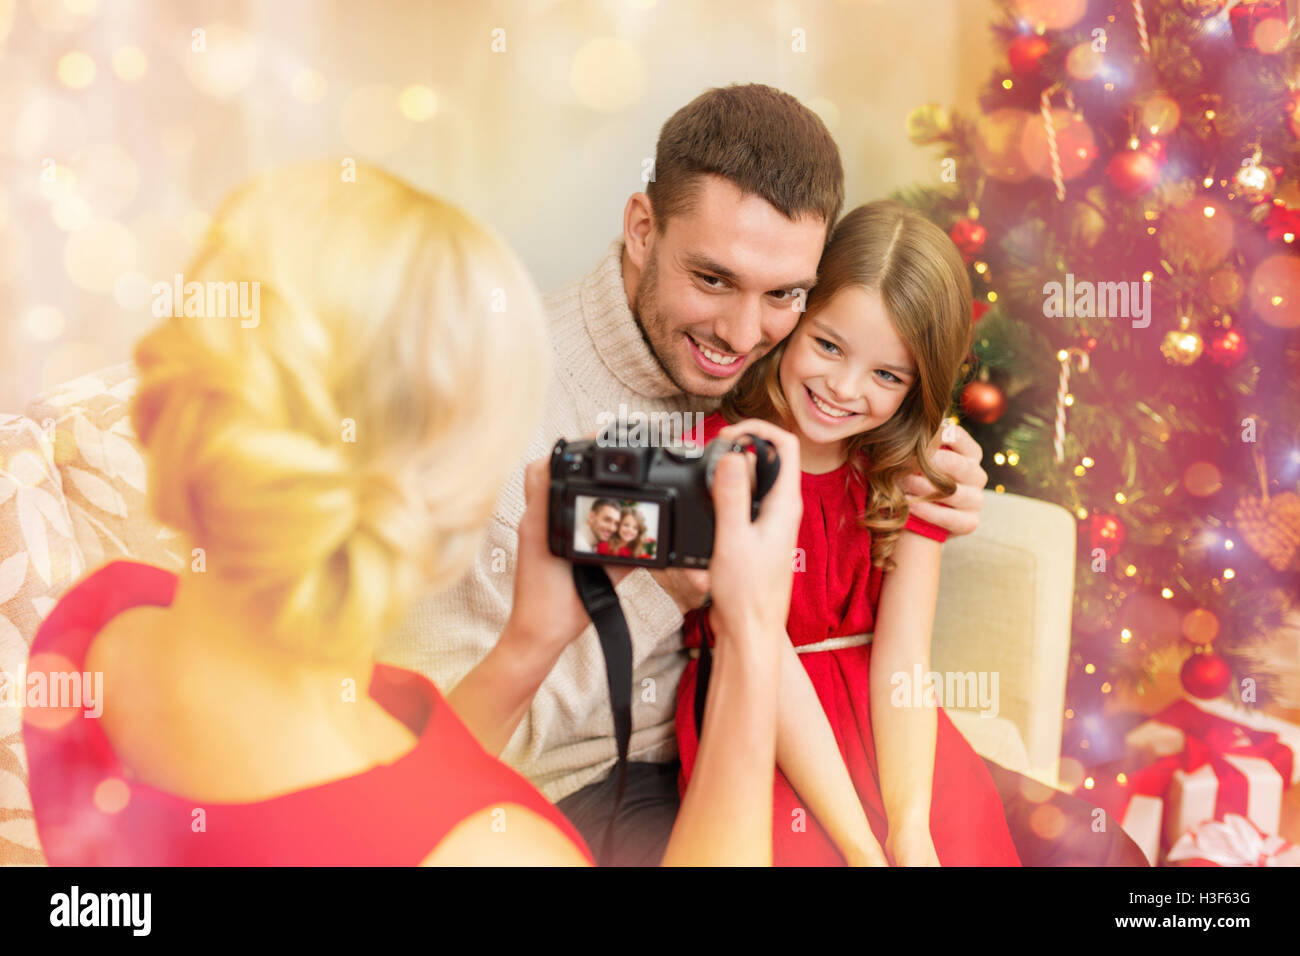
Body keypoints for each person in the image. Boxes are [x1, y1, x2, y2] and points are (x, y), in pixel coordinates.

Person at [382, 83, 1145, 867]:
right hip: (594, 777)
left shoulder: (780, 375)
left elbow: (874, 358)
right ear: (643, 229)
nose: (744, 335)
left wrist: (938, 463)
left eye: (783, 295)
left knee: (1103, 853)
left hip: (796, 729)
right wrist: (677, 580)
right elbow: (422, 752)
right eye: (712, 280)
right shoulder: (489, 407)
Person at [21, 162, 807, 866]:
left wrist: (529, 644)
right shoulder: (491, 851)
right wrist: (750, 628)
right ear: (449, 494)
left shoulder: (101, 625)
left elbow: (386, 793)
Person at [675, 200, 1019, 866]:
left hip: (892, 722)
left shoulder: (908, 471)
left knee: (955, 840)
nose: (843, 387)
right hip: (762, 711)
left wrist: (910, 825)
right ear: (794, 318)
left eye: (886, 375)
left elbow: (905, 658)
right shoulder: (729, 458)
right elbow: (763, 655)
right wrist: (864, 848)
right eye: (827, 345)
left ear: (918, 387)